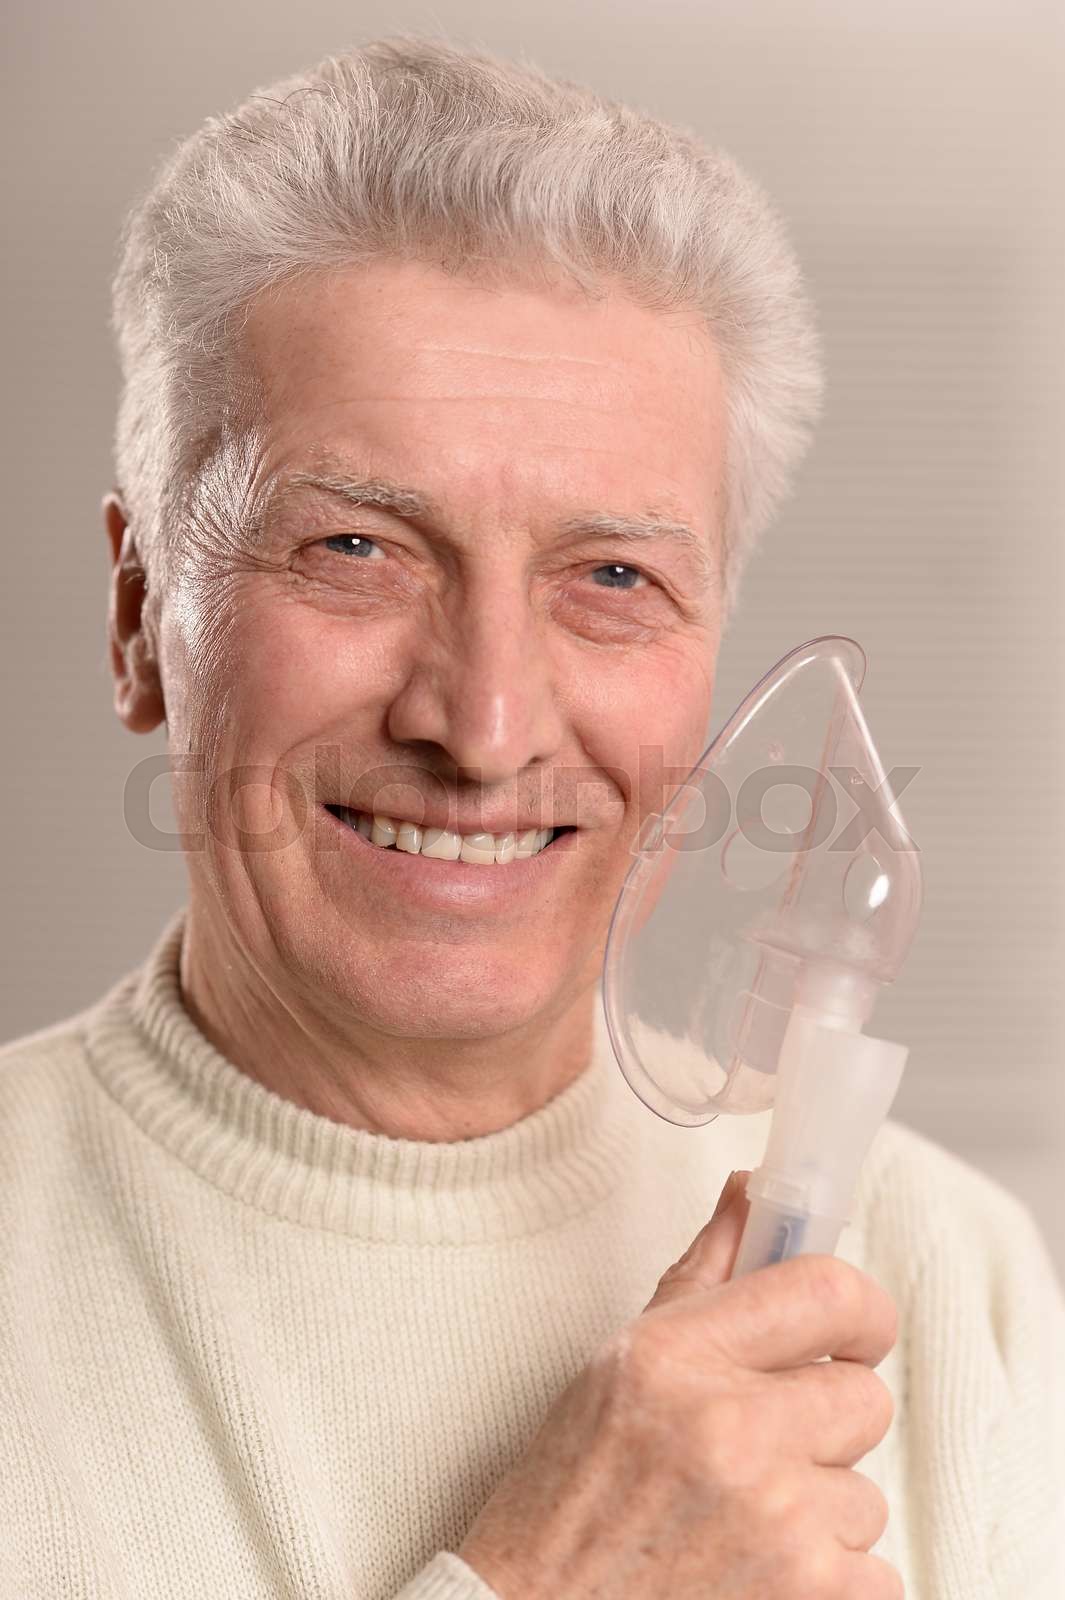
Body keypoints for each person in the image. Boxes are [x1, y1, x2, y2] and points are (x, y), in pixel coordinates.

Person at [1, 34, 1062, 1600]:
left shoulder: (943, 1270)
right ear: (137, 613)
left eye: (613, 580)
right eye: (357, 548)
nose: (484, 727)